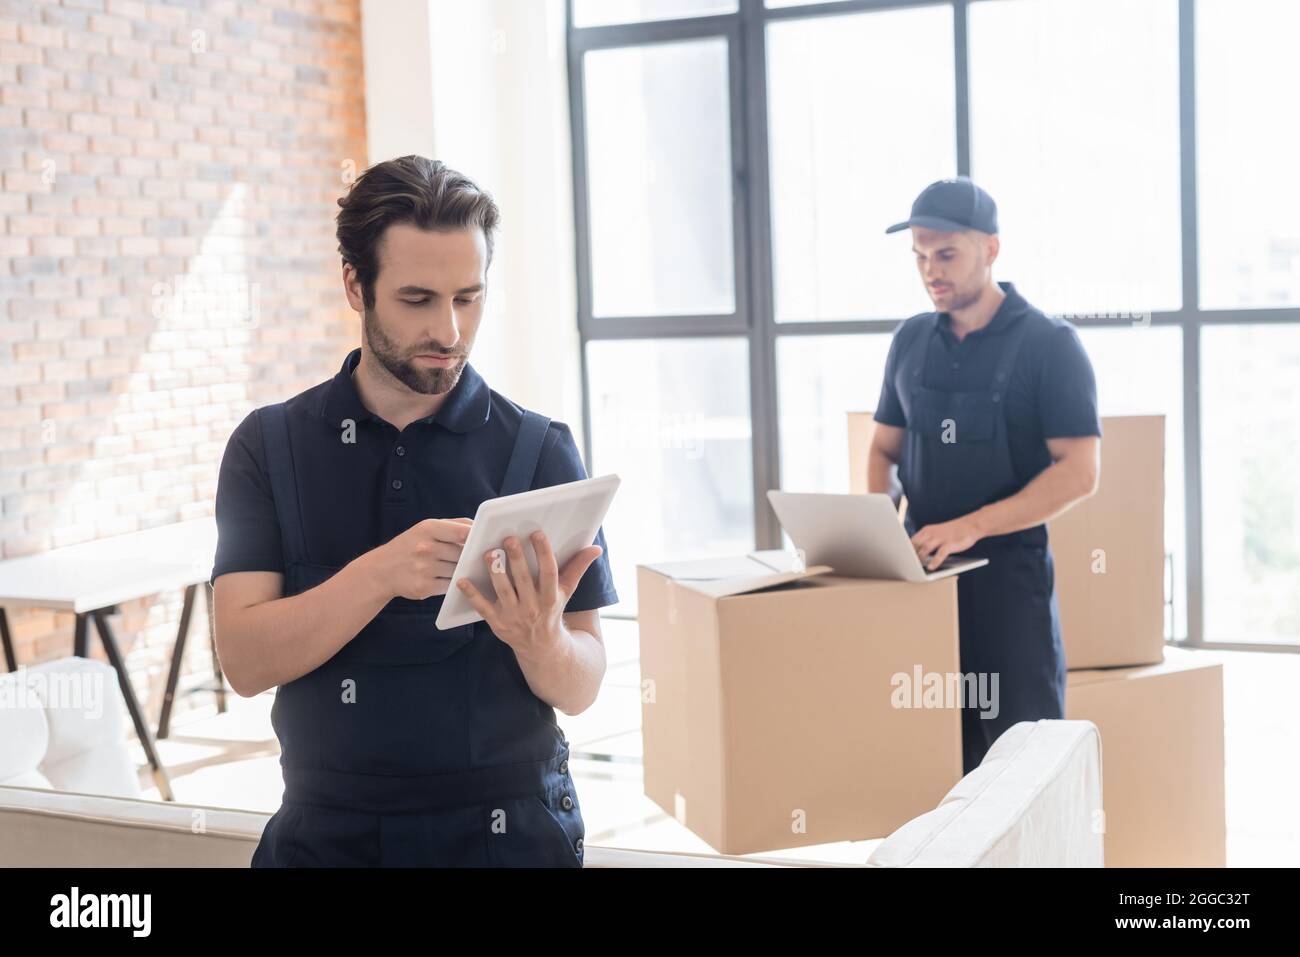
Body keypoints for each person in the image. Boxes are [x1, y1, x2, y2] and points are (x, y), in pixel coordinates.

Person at [211, 155, 618, 866]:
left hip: (508, 831)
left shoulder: (540, 450)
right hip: (326, 834)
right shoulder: (268, 446)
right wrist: (380, 574)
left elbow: (582, 685)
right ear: (354, 286)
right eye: (418, 298)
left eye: (469, 297)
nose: (450, 330)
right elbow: (244, 661)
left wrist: (540, 639)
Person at [869, 176, 1101, 773]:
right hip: (922, 587)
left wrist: (971, 526)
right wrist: (875, 529)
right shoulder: (911, 340)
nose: (930, 270)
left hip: (1009, 593)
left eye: (945, 254)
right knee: (934, 764)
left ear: (990, 249)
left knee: (1022, 771)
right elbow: (882, 450)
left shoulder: (1049, 345)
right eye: (919, 256)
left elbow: (1079, 472)